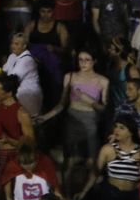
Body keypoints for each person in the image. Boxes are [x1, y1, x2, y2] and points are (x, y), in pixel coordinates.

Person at [39, 49, 108, 186]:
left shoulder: (102, 81)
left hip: (91, 122)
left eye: (87, 60)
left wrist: (89, 101)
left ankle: (87, 195)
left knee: (90, 161)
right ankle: (66, 193)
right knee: (70, 160)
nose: (83, 63)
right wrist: (45, 117)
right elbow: (62, 104)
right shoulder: (70, 77)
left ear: (94, 61)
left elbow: (104, 108)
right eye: (80, 60)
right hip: (72, 120)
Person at [0, 75, 35, 173]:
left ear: (9, 93)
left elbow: (30, 144)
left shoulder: (22, 113)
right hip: (1, 155)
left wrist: (8, 140)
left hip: (15, 158)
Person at [0, 32, 42, 118]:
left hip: (27, 96)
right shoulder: (12, 56)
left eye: (16, 44)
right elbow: (3, 71)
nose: (13, 46)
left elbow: (12, 81)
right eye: (12, 43)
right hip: (16, 94)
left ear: (24, 46)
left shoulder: (27, 60)